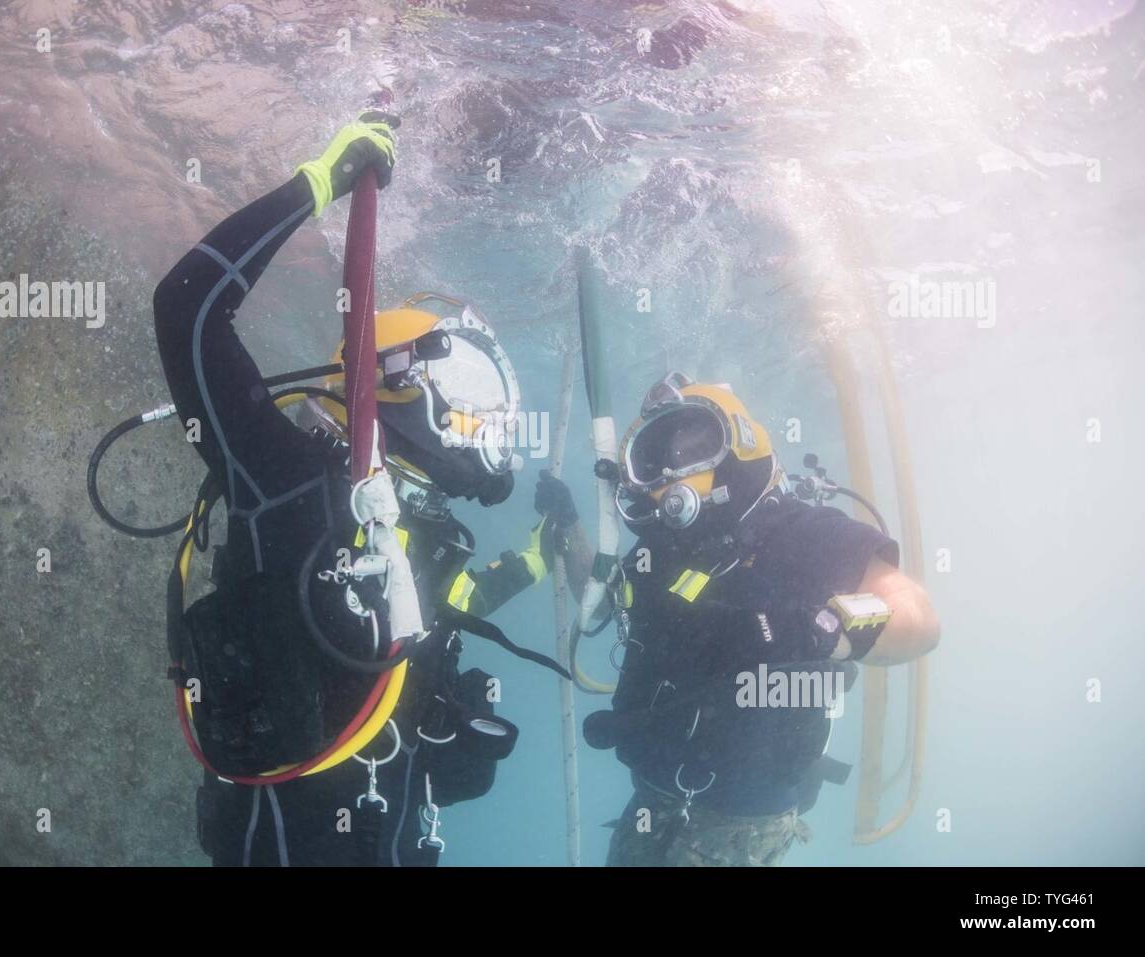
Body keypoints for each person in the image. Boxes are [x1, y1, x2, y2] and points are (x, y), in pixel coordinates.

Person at [152, 113, 559, 866]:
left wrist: (454, 729)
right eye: (474, 387)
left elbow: (406, 674)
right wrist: (320, 181)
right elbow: (186, 311)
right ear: (402, 380)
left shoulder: (425, 533)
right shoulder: (281, 475)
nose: (489, 421)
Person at [553, 372, 940, 866]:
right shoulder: (665, 550)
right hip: (651, 803)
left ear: (741, 440)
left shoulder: (808, 534)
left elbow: (918, 619)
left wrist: (813, 630)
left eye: (694, 443)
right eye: (655, 459)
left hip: (744, 825)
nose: (673, 471)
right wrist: (566, 526)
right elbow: (599, 606)